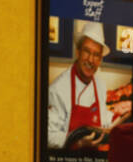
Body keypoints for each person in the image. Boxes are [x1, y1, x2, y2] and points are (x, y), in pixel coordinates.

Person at [48, 21, 113, 150]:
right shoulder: (58, 89)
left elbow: (102, 120)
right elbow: (48, 135)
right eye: (87, 51)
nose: (90, 60)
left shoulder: (100, 85)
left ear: (100, 60)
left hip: (95, 161)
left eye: (96, 55)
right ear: (78, 52)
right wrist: (77, 143)